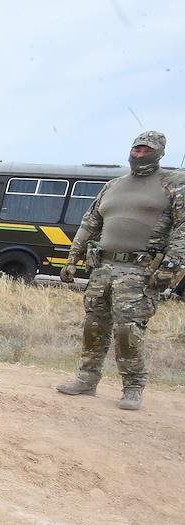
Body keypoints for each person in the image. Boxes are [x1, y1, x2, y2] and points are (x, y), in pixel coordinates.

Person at [56, 131, 185, 411]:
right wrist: (71, 259)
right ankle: (87, 379)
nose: (139, 154)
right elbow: (89, 223)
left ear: (159, 152)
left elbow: (182, 229)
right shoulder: (113, 185)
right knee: (94, 326)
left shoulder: (173, 184)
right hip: (103, 268)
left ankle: (133, 387)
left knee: (128, 331)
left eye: (146, 150)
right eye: (136, 149)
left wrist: (170, 269)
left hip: (140, 271)